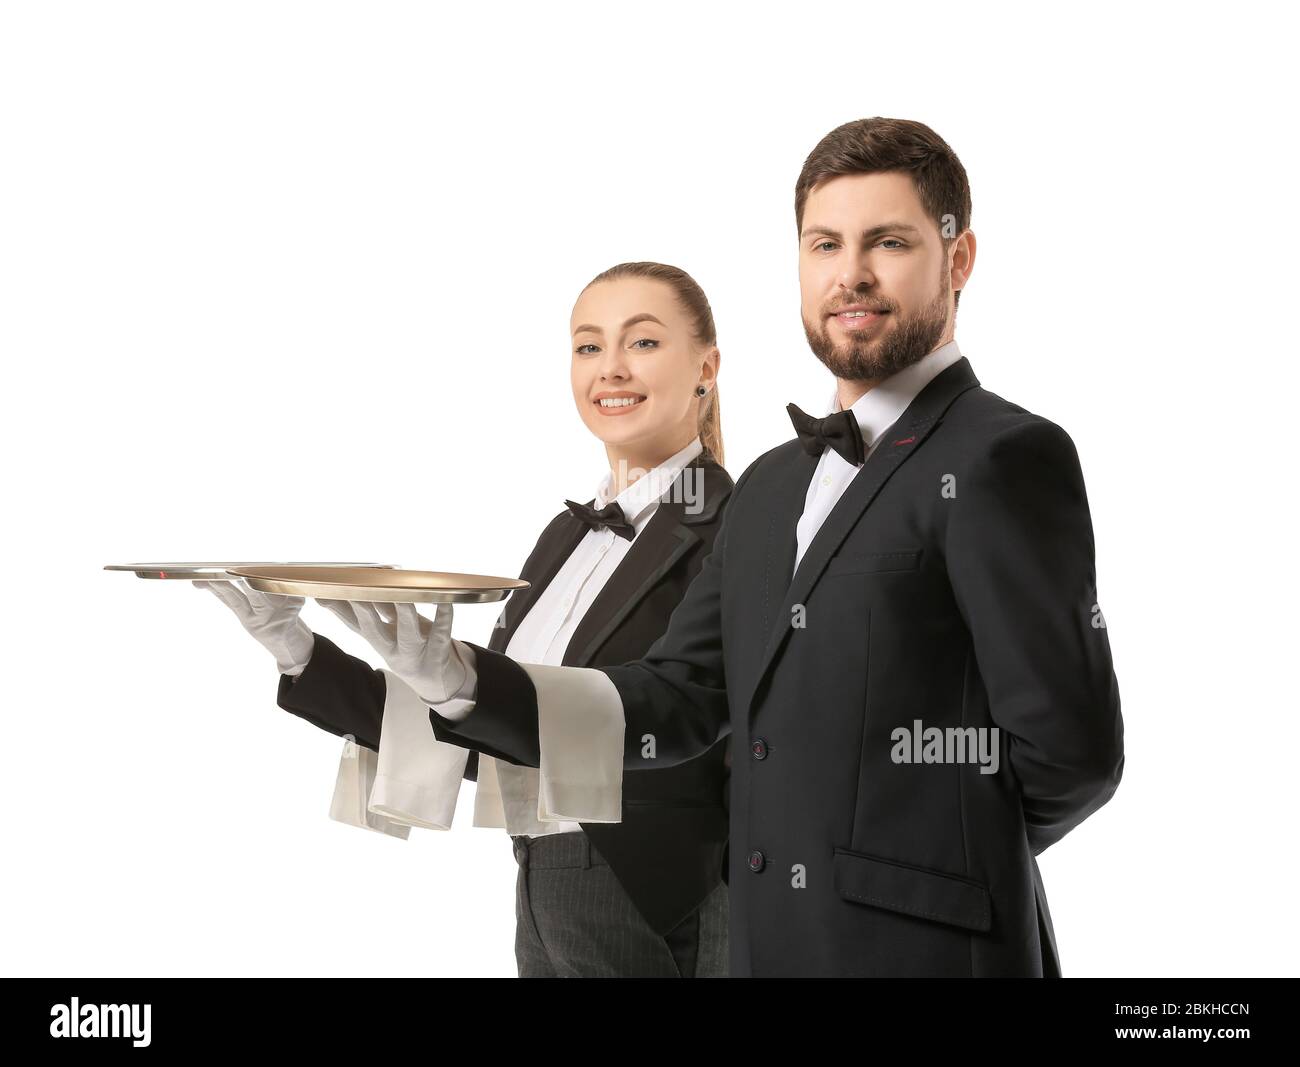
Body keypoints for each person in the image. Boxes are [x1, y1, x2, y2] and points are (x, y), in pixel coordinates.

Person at [341, 117, 1125, 978]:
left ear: (958, 259)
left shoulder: (1004, 454)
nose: (850, 273)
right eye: (825, 244)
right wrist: (460, 681)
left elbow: (1072, 757)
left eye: (888, 242)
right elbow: (675, 697)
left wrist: (907, 874)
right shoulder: (768, 486)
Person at [199, 261, 735, 977]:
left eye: (641, 343)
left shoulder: (735, 525)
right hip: (537, 877)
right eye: (587, 346)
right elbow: (493, 729)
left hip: (652, 892)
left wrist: (462, 684)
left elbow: (682, 715)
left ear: (706, 365)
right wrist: (301, 653)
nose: (610, 369)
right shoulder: (561, 537)